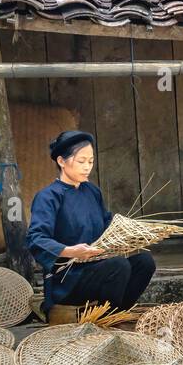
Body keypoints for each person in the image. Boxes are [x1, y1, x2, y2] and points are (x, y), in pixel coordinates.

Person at [26, 130, 155, 323]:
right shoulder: (48, 197)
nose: (87, 167)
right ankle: (107, 318)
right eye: (81, 161)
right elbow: (36, 239)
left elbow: (107, 223)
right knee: (118, 265)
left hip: (99, 267)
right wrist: (71, 251)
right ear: (62, 161)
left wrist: (129, 236)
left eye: (91, 161)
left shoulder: (92, 191)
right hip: (69, 279)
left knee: (145, 261)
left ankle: (112, 314)